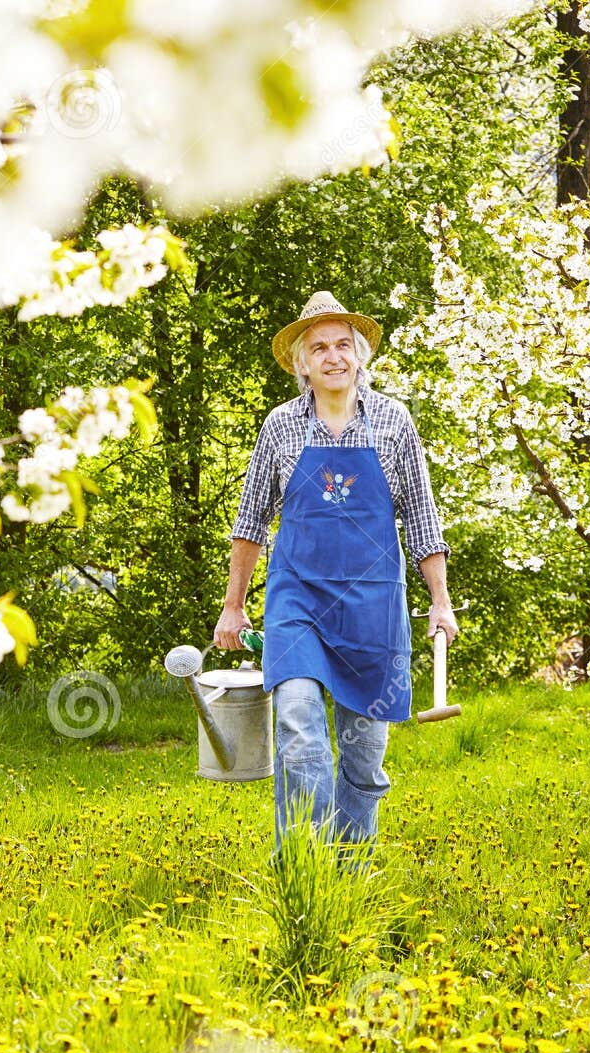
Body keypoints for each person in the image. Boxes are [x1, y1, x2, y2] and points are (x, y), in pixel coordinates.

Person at [214, 290, 458, 851]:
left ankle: (349, 874)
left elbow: (421, 514)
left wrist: (439, 600)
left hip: (374, 609)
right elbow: (251, 520)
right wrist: (234, 605)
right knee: (301, 737)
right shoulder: (279, 428)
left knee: (364, 756)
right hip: (297, 601)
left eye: (343, 344)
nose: (333, 356)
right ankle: (302, 866)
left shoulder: (395, 423)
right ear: (302, 362)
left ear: (360, 354)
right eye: (319, 347)